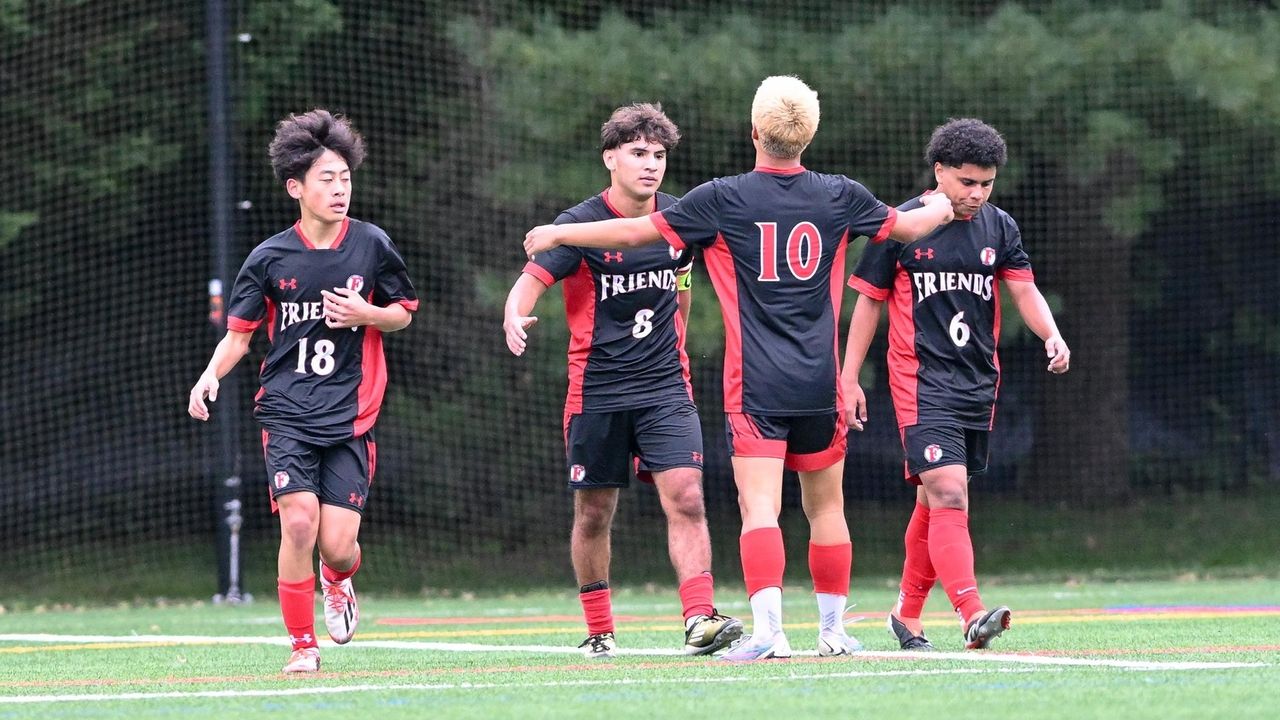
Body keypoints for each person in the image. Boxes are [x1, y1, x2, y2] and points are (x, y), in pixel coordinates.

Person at [523, 76, 955, 661]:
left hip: (755, 384)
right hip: (820, 383)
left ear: (753, 131)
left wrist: (560, 231)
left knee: (760, 510)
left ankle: (768, 633)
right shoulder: (840, 194)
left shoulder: (722, 198)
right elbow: (905, 228)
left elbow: (634, 231)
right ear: (811, 132)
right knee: (828, 509)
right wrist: (938, 204)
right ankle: (833, 632)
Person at [504, 103, 742, 659]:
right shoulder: (580, 224)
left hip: (665, 388)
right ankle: (599, 629)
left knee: (686, 497)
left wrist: (676, 339)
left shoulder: (681, 219)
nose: (651, 164)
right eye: (638, 153)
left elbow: (683, 291)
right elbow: (531, 279)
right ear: (610, 158)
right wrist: (514, 313)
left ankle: (700, 619)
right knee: (593, 512)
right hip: (598, 392)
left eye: (659, 155)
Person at [188, 109, 419, 673]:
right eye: (326, 178)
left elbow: (404, 313)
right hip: (287, 409)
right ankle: (302, 647)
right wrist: (209, 376)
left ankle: (337, 580)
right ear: (296, 187)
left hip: (351, 414)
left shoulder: (371, 244)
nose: (339, 188)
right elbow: (240, 338)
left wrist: (369, 313)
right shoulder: (269, 258)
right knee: (298, 523)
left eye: (345, 177)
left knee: (337, 545)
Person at [841, 118, 1070, 651]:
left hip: (977, 383)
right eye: (966, 182)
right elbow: (869, 303)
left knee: (934, 499)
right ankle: (971, 612)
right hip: (920, 382)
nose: (976, 193)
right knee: (948, 493)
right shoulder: (900, 226)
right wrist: (848, 377)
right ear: (939, 171)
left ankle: (906, 614)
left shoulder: (1000, 227)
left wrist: (1051, 334)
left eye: (986, 183)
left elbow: (1024, 290)